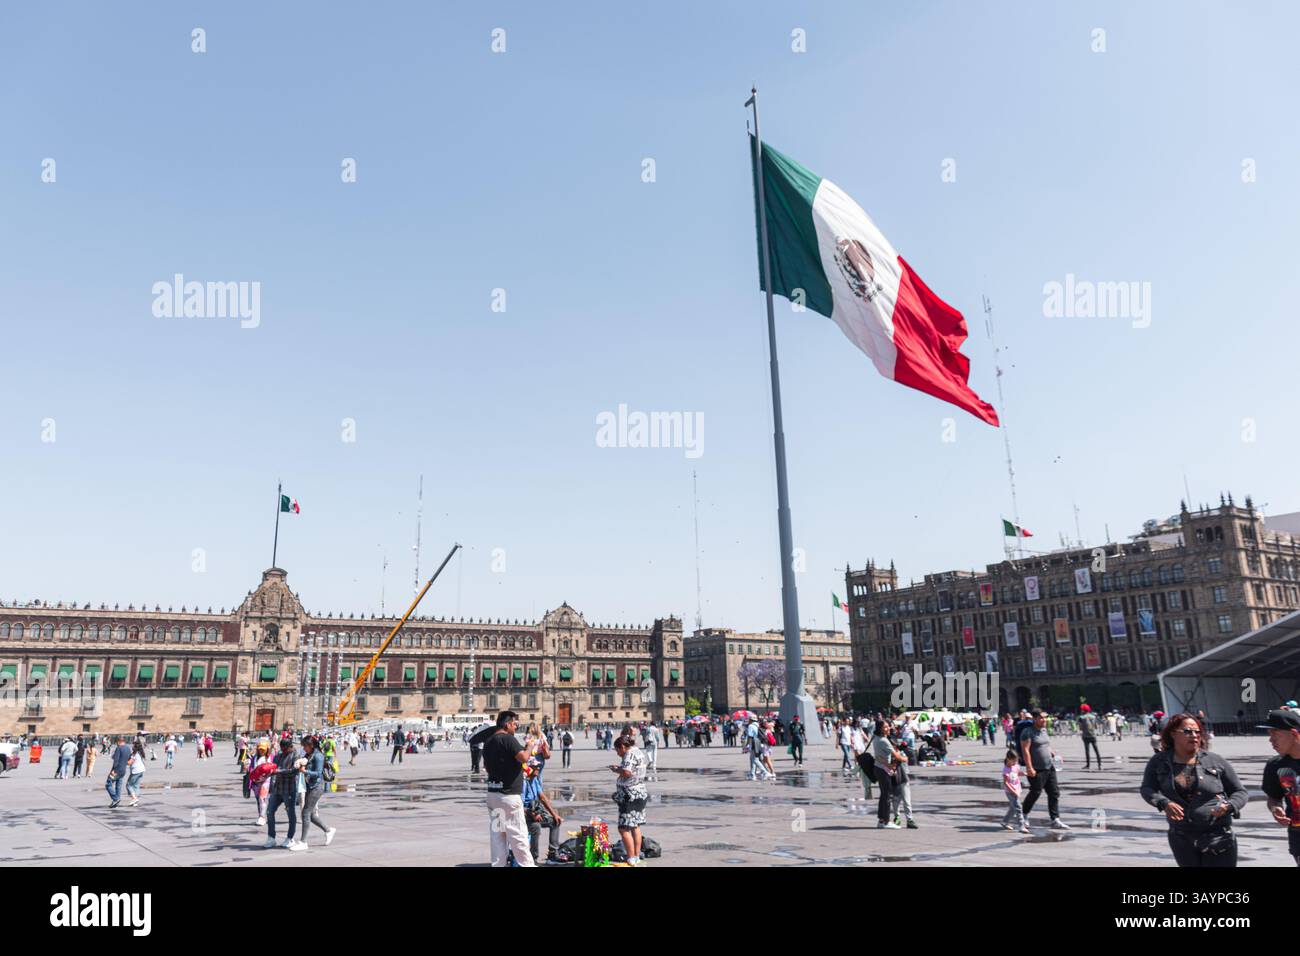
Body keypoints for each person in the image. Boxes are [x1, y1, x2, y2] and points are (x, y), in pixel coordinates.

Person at [1140, 712, 1246, 867]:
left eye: (1197, 732)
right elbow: (1147, 788)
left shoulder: (1215, 760)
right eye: (1187, 731)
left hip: (1217, 836)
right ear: (1173, 734)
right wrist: (1163, 802)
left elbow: (1240, 792)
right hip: (1182, 838)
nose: (1194, 735)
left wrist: (1229, 806)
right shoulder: (1159, 762)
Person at [483, 710, 534, 867]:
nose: (515, 726)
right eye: (514, 724)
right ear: (507, 724)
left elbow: (485, 766)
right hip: (508, 797)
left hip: (493, 795)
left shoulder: (488, 741)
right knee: (518, 837)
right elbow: (524, 757)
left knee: (498, 837)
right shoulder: (508, 739)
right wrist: (530, 746)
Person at [1258, 708, 1300, 866]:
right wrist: (1275, 808)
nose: (1271, 740)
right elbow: (1274, 797)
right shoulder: (1275, 766)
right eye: (1270, 734)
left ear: (1294, 734)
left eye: (1275, 734)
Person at [1019, 709, 1069, 830]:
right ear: (1034, 719)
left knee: (1054, 793)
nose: (1044, 720)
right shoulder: (1028, 732)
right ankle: (1023, 815)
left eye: (1045, 717)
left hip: (1049, 766)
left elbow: (1046, 745)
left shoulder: (1044, 730)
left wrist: (1054, 755)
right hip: (1036, 768)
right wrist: (1029, 767)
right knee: (1035, 792)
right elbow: (1025, 751)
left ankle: (1055, 819)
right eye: (1041, 718)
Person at [610, 734, 649, 865]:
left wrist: (616, 770)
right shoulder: (638, 751)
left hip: (630, 794)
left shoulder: (629, 754)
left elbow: (627, 772)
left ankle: (631, 857)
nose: (618, 753)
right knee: (635, 826)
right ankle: (636, 856)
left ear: (622, 747)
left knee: (623, 828)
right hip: (640, 791)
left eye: (617, 750)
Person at [264, 736, 305, 850]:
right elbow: (273, 768)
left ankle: (290, 838)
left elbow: (294, 771)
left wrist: (279, 771)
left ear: (290, 747)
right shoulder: (279, 755)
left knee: (290, 814)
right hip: (277, 788)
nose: (283, 751)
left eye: (285, 749)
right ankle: (271, 837)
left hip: (289, 789)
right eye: (282, 749)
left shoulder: (296, 756)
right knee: (269, 812)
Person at [298, 735, 336, 848]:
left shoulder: (318, 756)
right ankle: (328, 830)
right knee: (311, 814)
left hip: (317, 787)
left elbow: (318, 773)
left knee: (305, 813)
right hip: (310, 786)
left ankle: (303, 842)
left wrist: (305, 772)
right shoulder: (309, 755)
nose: (304, 748)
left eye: (305, 746)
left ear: (311, 745)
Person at [523, 771, 564, 864]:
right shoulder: (523, 782)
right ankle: (533, 858)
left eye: (538, 767)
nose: (538, 769)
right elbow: (518, 806)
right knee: (536, 827)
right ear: (528, 769)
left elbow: (543, 798)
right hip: (524, 815)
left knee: (555, 822)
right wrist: (532, 814)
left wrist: (554, 814)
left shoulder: (535, 780)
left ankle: (552, 854)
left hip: (535, 813)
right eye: (535, 767)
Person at [872, 719, 907, 829]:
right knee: (887, 796)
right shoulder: (883, 740)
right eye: (885, 727)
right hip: (883, 770)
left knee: (884, 795)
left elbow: (879, 756)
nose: (888, 728)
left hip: (879, 768)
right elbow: (896, 756)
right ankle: (886, 822)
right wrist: (905, 758)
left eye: (888, 726)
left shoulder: (876, 738)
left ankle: (881, 820)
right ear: (880, 729)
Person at [1002, 750, 1029, 832]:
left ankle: (1005, 821)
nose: (1015, 762)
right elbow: (1006, 783)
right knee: (1018, 807)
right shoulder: (1006, 770)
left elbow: (1017, 773)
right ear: (1008, 759)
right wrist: (1013, 791)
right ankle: (1021, 825)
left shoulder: (1015, 766)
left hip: (1017, 789)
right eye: (1013, 761)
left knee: (1013, 808)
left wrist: (1025, 773)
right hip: (1010, 792)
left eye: (1016, 761)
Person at [249, 740, 274, 825]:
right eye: (260, 749)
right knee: (258, 800)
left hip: (266, 781)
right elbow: (251, 769)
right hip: (256, 781)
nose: (261, 751)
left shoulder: (270, 757)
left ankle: (262, 817)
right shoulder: (255, 758)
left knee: (262, 798)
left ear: (267, 749)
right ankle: (261, 815)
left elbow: (273, 769)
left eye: (263, 749)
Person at [105, 735, 132, 808]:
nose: (116, 743)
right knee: (118, 786)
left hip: (116, 770)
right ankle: (116, 801)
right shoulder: (128, 748)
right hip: (123, 770)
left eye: (116, 742)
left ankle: (115, 798)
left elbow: (115, 761)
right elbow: (129, 759)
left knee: (108, 784)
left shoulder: (119, 748)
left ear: (119, 741)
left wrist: (112, 771)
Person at [1078, 704, 1102, 770]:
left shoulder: (1081, 718)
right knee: (1096, 750)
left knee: (1087, 751)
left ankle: (1088, 765)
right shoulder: (1093, 717)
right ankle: (1100, 765)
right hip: (1093, 735)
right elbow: (1096, 726)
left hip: (1085, 735)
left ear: (1083, 710)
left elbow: (1080, 728)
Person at [125, 740, 147, 807]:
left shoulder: (134, 754)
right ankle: (135, 801)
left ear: (135, 746)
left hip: (136, 771)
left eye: (133, 745)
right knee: (136, 785)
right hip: (141, 770)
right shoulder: (140, 752)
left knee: (128, 785)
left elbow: (129, 763)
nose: (131, 746)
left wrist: (124, 759)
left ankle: (134, 798)